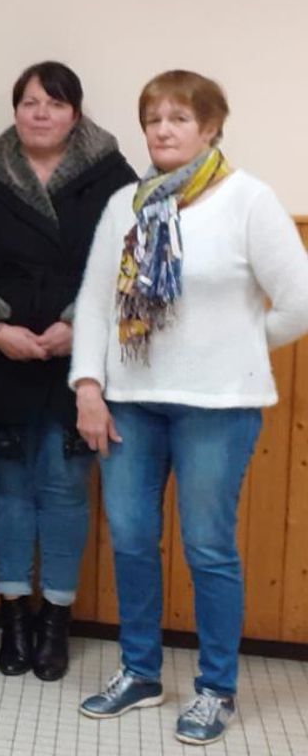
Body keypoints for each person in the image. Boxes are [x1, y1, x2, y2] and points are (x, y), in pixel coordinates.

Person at [70, 70, 308, 746]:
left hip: (217, 409)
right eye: (154, 119)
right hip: (130, 403)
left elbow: (299, 302)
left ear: (210, 128)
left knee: (208, 548)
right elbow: (95, 303)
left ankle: (216, 689)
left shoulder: (247, 200)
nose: (164, 130)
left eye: (179, 118)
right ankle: (140, 672)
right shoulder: (126, 204)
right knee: (130, 538)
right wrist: (88, 386)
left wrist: (237, 348)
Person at [0, 61, 136, 681]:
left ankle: (55, 618)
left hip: (77, 364)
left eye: (54, 103)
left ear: (75, 114)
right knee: (10, 490)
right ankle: (13, 616)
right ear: (15, 111)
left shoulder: (115, 179)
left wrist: (77, 326)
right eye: (30, 102)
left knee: (63, 488)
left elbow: (130, 270)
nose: (40, 113)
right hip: (4, 358)